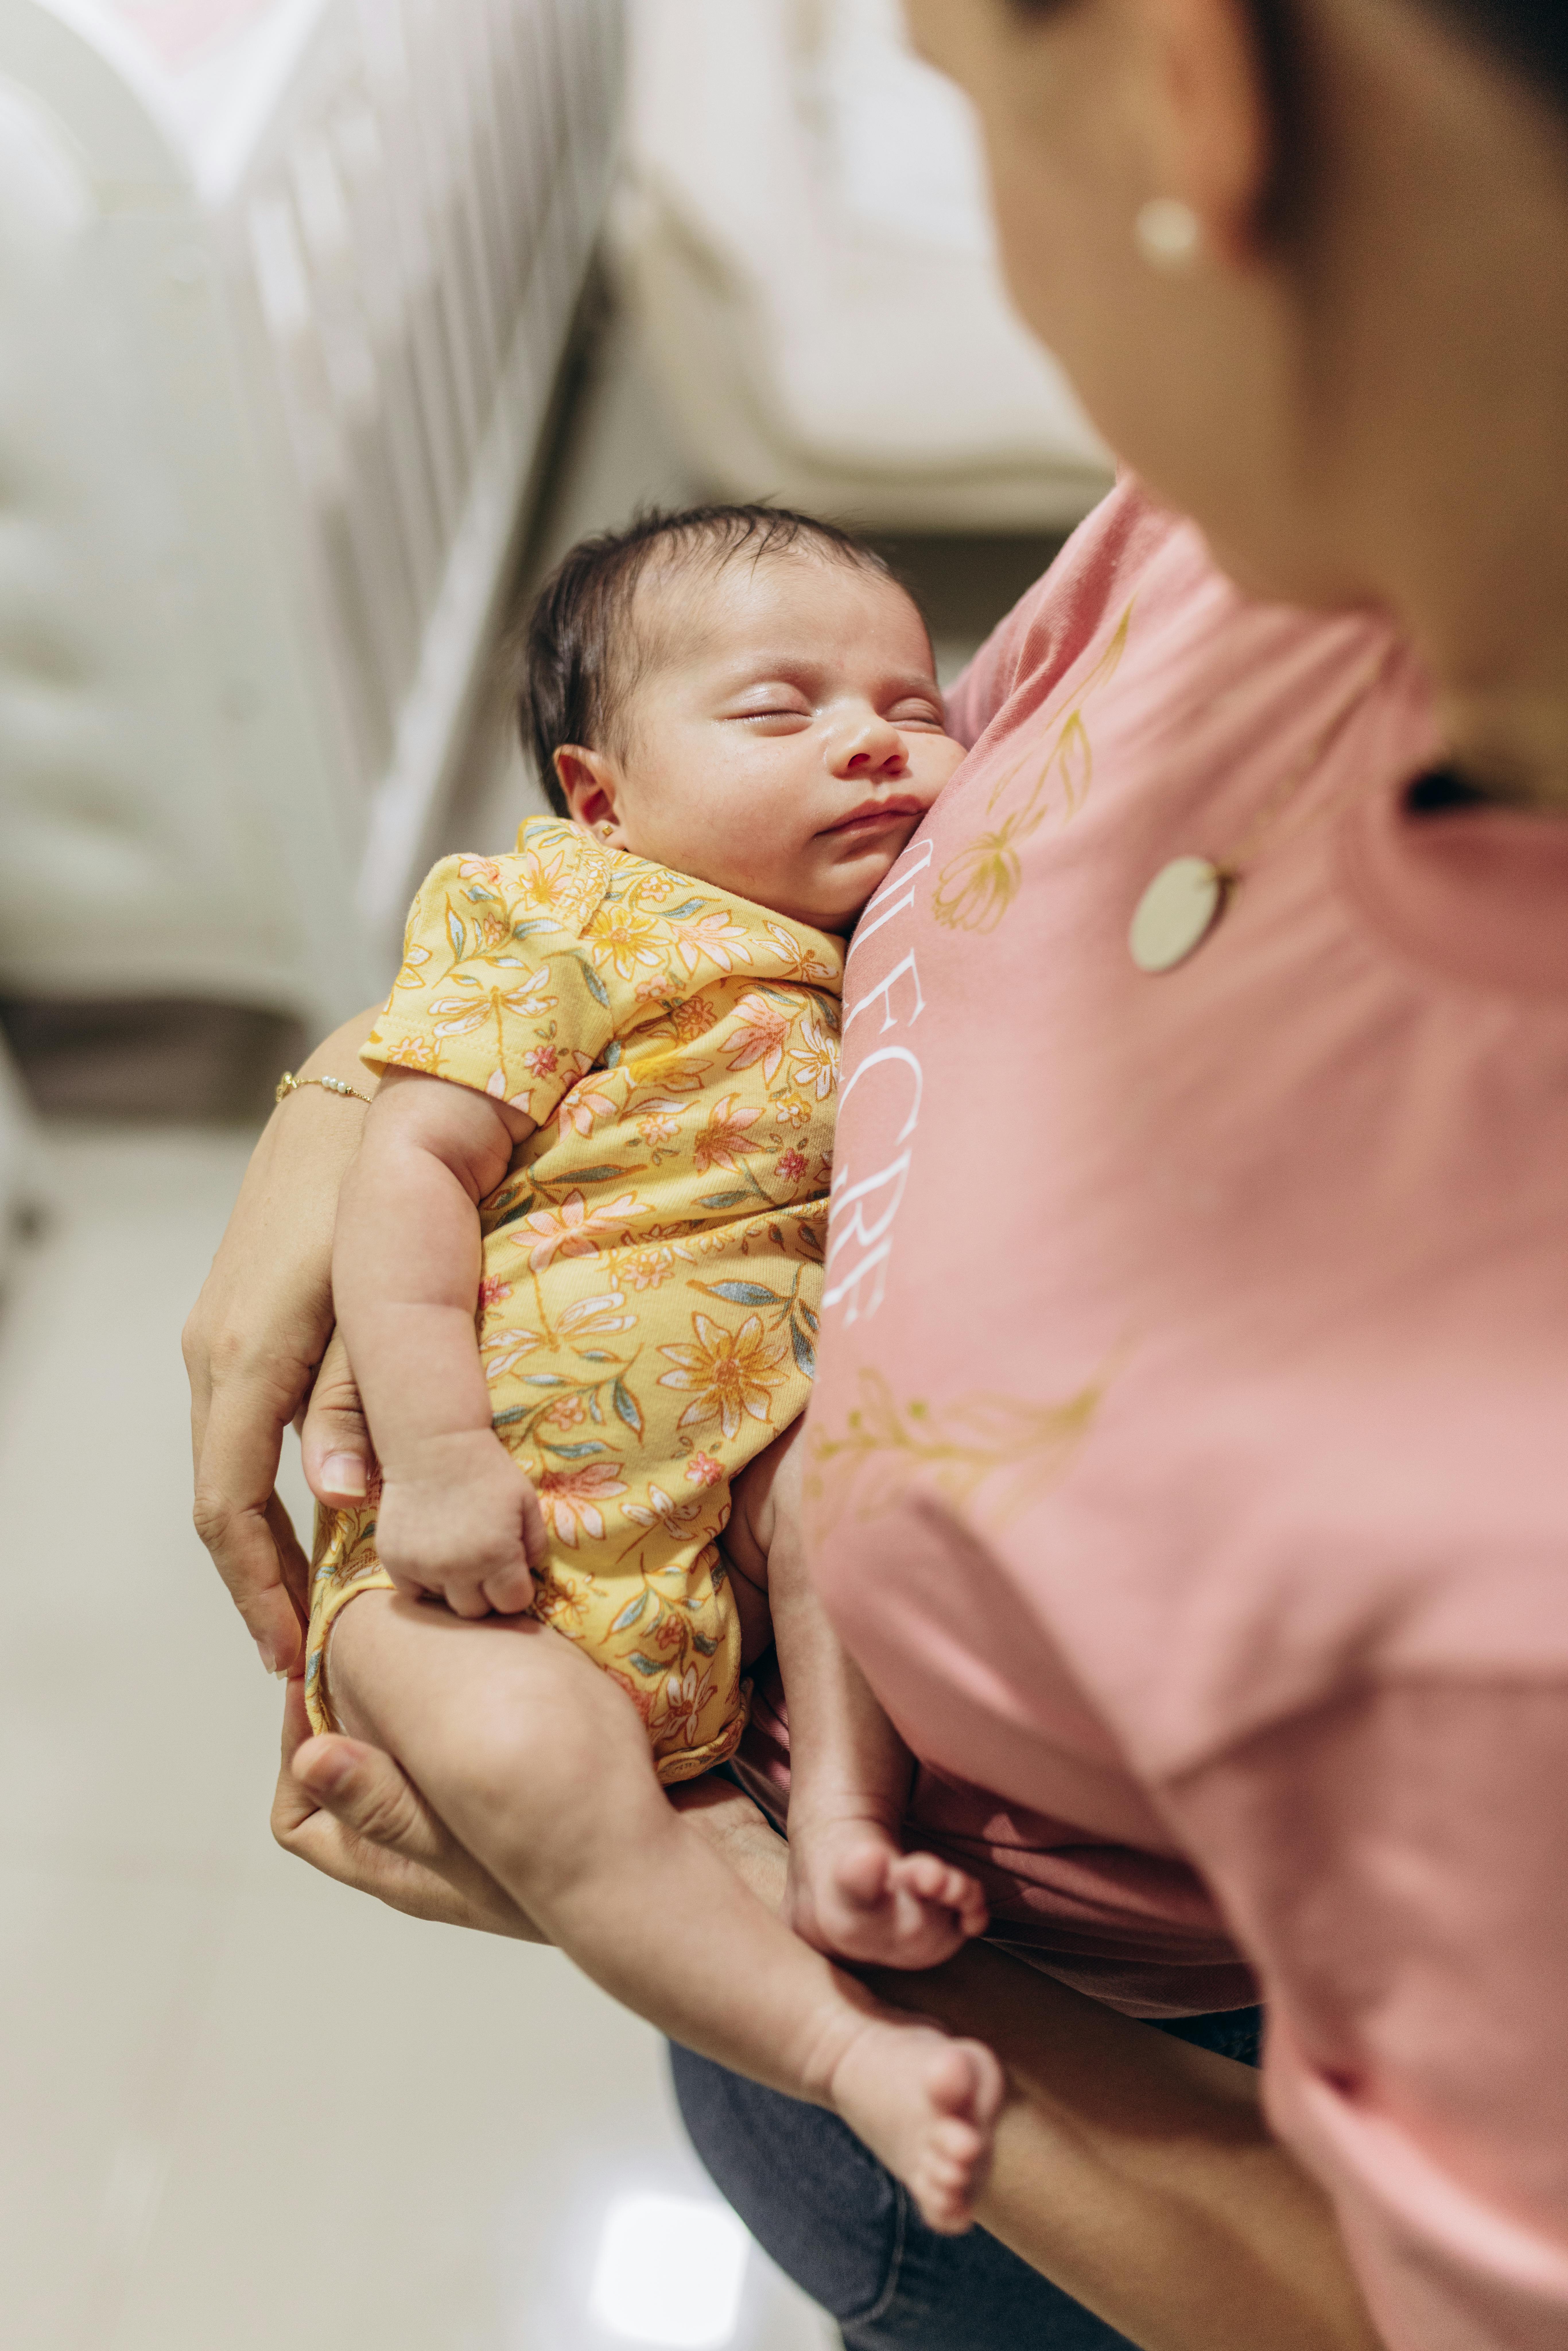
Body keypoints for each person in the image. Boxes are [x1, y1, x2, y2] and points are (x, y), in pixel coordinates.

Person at [183, 1, 1568, 2345]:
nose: (886, 745)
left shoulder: (1473, 1533)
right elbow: (747, 934)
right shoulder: (1288, 513)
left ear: (1182, 97)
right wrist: (376, 1095)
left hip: (1038, 2132)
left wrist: (749, 1941)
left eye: (950, 74)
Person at [305, 501, 1004, 2232]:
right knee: (547, 1772)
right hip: (471, 1566)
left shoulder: (879, 953)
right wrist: (444, 1456)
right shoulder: (564, 915)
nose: (871, 740)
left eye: (914, 707)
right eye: (779, 714)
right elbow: (407, 1172)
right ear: (599, 795)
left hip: (727, 1520)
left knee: (847, 1497)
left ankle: (840, 1826)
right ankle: (838, 2055)